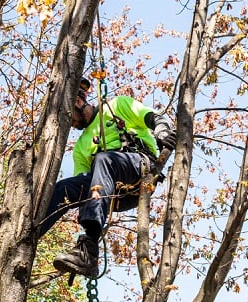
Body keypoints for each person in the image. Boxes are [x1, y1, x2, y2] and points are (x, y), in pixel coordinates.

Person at [36, 77, 176, 278]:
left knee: (103, 159)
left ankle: (89, 247)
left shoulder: (116, 106)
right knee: (64, 188)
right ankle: (29, 231)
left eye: (71, 119)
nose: (72, 124)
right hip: (112, 195)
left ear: (78, 102)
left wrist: (162, 132)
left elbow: (151, 116)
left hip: (139, 169)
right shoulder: (80, 147)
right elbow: (85, 192)